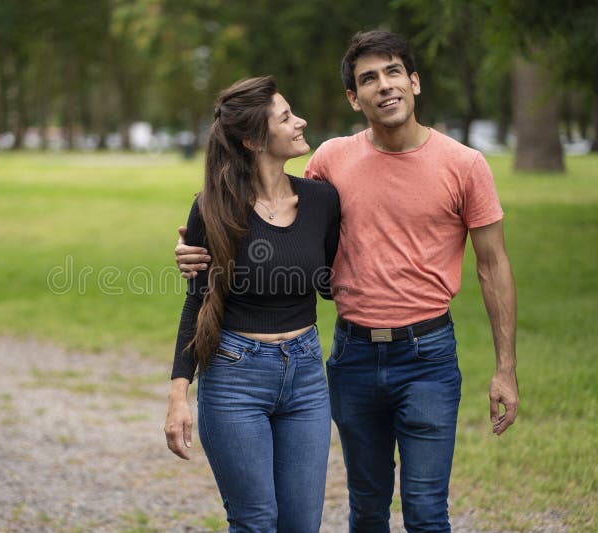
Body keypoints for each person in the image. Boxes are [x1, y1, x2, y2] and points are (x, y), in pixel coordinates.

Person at [175, 31, 519, 533]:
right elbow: (279, 224)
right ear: (353, 98)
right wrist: (200, 249)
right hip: (351, 358)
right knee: (366, 507)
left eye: (394, 72)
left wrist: (505, 369)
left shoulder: (465, 165)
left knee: (426, 511)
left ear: (415, 81)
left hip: (428, 356)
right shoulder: (330, 162)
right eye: (368, 79)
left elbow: (494, 266)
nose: (385, 86)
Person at [164, 76, 341, 532]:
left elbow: (333, 284)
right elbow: (197, 302)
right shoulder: (213, 209)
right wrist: (177, 394)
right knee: (256, 521)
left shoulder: (322, 200)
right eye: (285, 117)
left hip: (304, 375)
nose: (300, 121)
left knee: (302, 523)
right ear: (253, 140)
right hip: (233, 376)